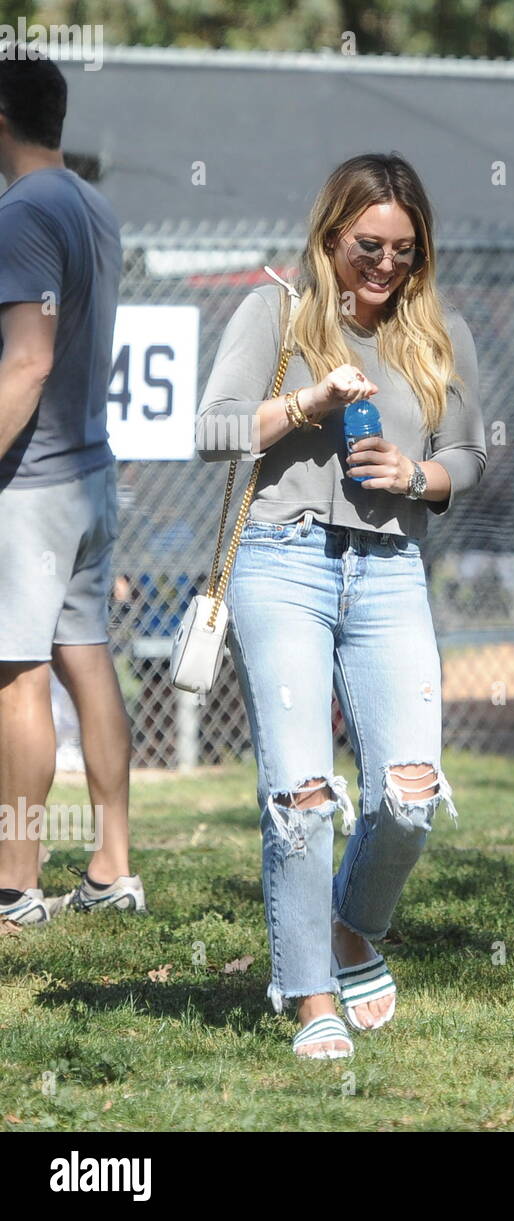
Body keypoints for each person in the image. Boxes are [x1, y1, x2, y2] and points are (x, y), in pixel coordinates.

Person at [196, 153, 486, 1060]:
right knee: (304, 794)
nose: (386, 265)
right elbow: (212, 431)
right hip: (280, 563)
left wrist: (420, 474)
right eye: (368, 245)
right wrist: (307, 400)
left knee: (408, 793)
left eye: (404, 248)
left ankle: (353, 926)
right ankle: (312, 993)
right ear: (331, 235)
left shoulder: (440, 332)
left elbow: (471, 454)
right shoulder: (273, 312)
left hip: (391, 564)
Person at [0, 54, 143, 924]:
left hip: (32, 486)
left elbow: (27, 359)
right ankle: (112, 869)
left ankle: (13, 885)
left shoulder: (20, 212)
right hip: (91, 475)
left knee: (15, 680)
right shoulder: (94, 205)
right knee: (86, 663)